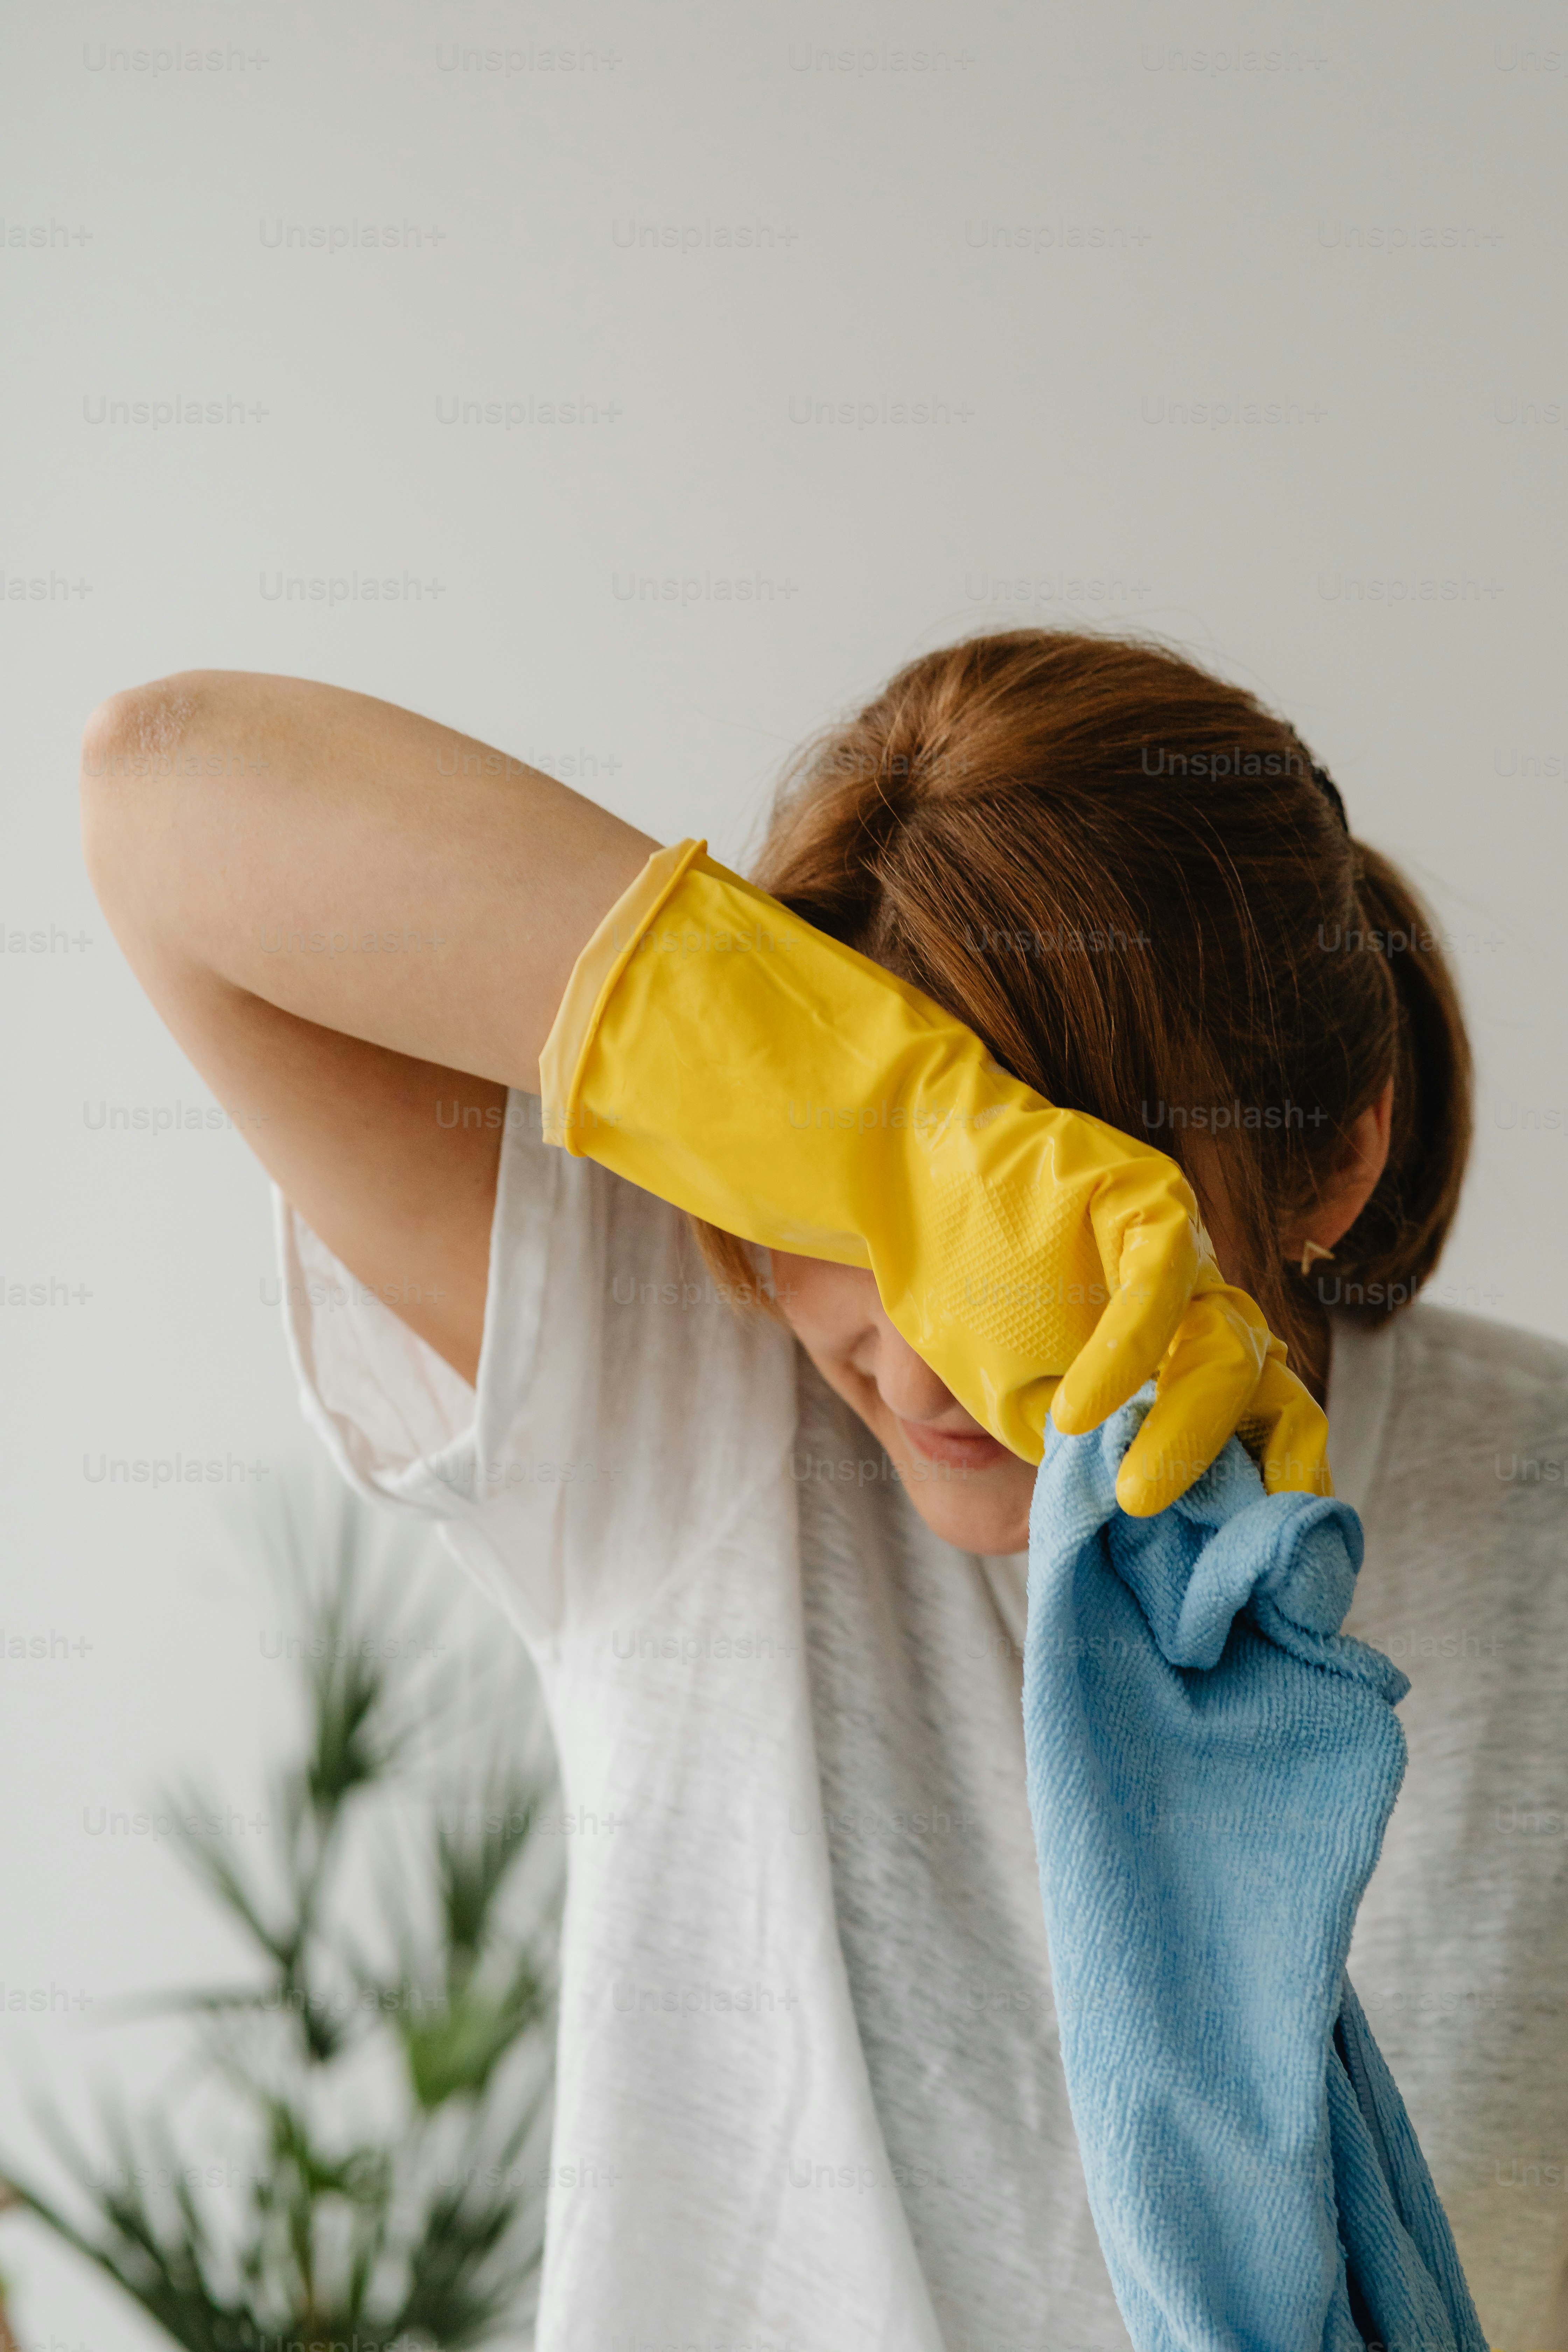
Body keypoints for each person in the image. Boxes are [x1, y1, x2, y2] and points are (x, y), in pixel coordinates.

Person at [79, 629, 1568, 2350]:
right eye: (860, 1225)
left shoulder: (1535, 1512)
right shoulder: (666, 1390)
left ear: (1333, 1154)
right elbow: (160, 787)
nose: (927, 1369)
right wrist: (886, 1144)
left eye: (1076, 1241)